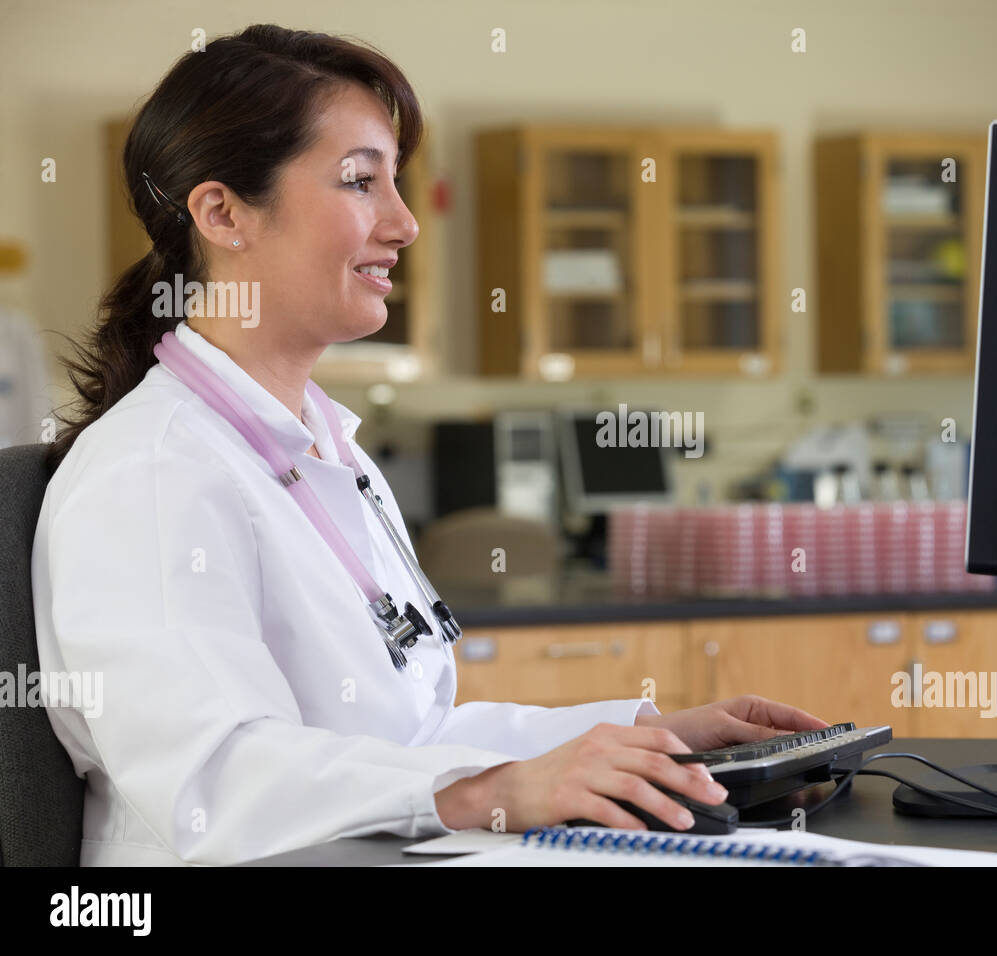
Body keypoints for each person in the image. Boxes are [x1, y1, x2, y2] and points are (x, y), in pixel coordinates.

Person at [32, 24, 827, 866]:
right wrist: (494, 793)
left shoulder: (329, 450)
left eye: (396, 182)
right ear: (224, 213)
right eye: (359, 181)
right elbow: (212, 783)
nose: (405, 223)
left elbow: (412, 734)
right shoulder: (151, 472)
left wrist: (645, 735)